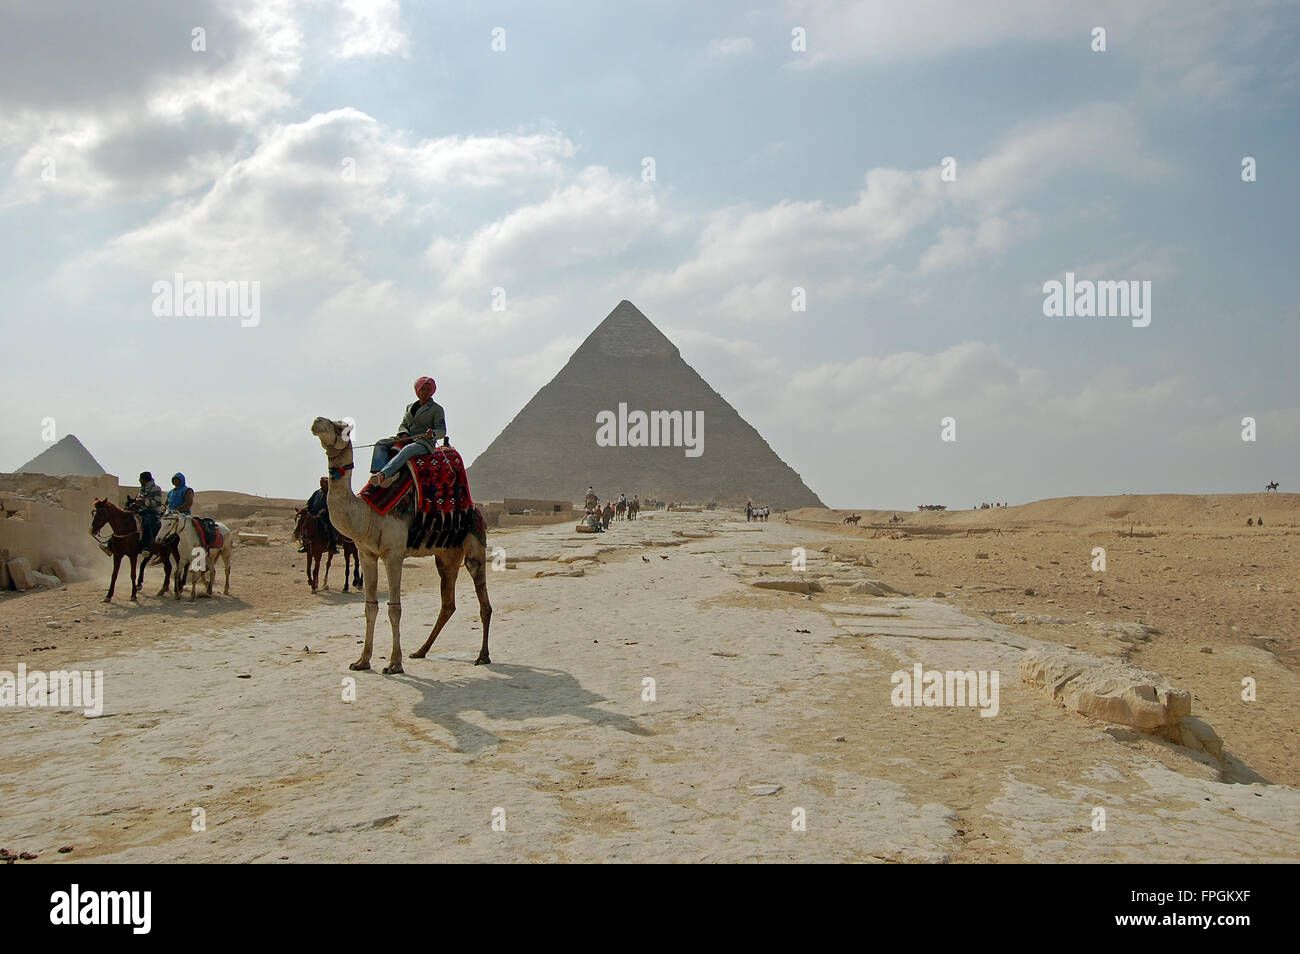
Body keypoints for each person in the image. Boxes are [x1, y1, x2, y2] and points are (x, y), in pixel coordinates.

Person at [369, 376, 447, 487]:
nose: (425, 392)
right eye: (422, 389)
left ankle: (384, 475)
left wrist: (432, 434)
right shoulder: (410, 407)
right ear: (417, 389)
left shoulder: (437, 409)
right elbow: (404, 424)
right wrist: (403, 433)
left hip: (424, 443)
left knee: (408, 450)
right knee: (381, 443)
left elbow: (442, 430)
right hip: (407, 438)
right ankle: (376, 472)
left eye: (428, 390)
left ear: (432, 392)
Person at [301, 477, 338, 554]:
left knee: (331, 527)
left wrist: (325, 510)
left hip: (325, 516)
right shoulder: (317, 492)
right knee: (303, 524)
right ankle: (304, 544)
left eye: (323, 482)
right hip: (314, 514)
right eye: (320, 482)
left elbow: (333, 505)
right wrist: (307, 508)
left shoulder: (331, 493)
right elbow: (310, 502)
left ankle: (333, 546)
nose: (321, 484)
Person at [132, 471, 164, 551]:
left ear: (144, 479)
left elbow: (158, 502)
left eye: (140, 479)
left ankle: (146, 546)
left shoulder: (156, 488)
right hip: (140, 511)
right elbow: (139, 498)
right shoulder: (142, 489)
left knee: (146, 523)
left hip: (152, 512)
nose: (139, 480)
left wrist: (144, 501)